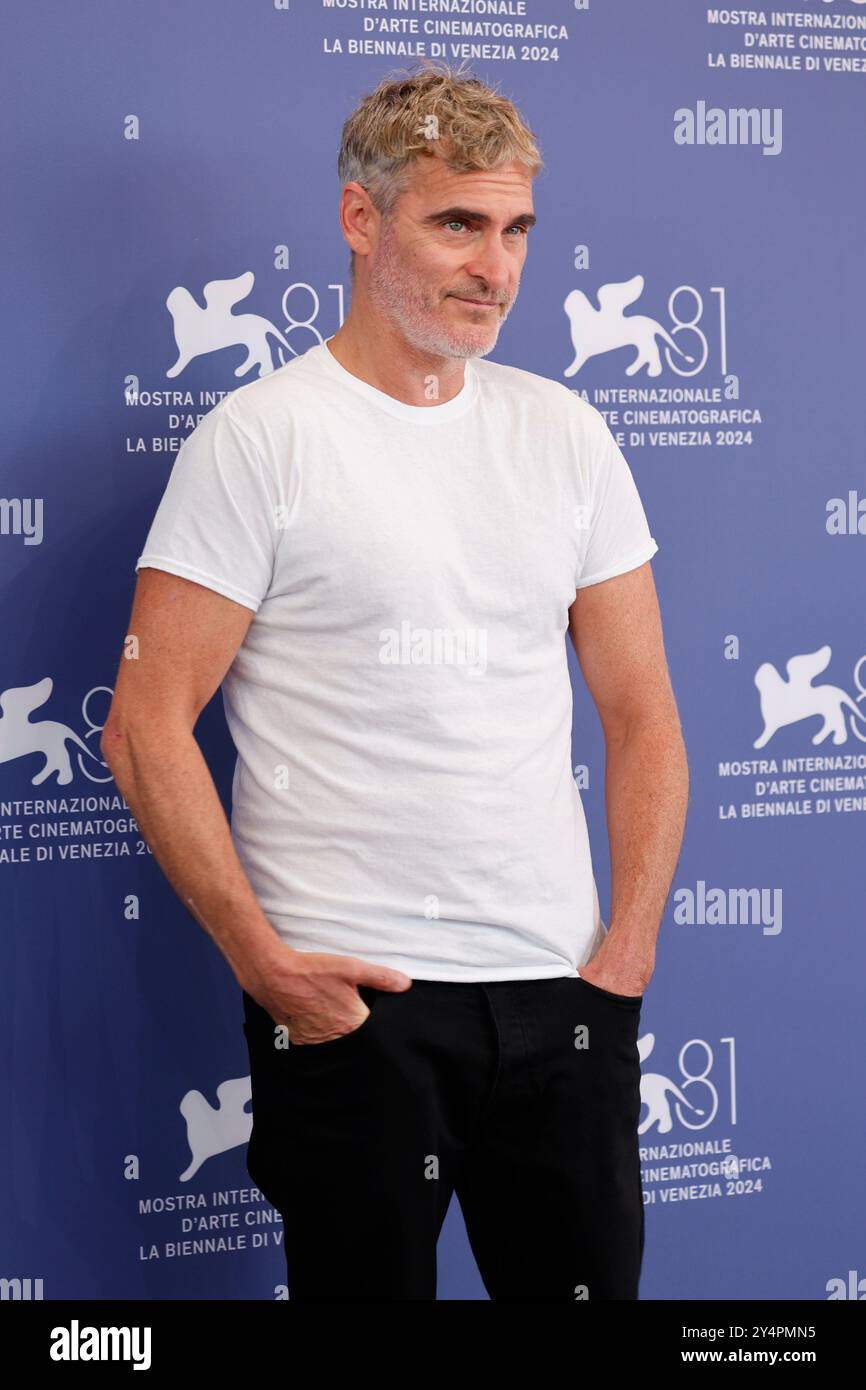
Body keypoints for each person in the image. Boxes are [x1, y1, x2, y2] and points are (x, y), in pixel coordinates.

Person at [103, 60, 689, 1301]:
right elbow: (146, 728)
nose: (496, 266)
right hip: (354, 1005)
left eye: (516, 227)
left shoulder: (566, 432)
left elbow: (641, 716)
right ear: (361, 220)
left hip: (560, 990)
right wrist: (266, 965)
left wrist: (624, 952)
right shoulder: (259, 442)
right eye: (458, 223)